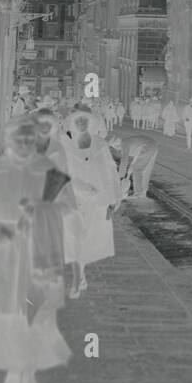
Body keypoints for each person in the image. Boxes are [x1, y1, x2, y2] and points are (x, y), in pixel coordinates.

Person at [0, 116, 74, 383]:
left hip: (37, 251)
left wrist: (42, 210)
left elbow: (68, 205)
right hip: (2, 251)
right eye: (20, 138)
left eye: (30, 138)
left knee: (33, 310)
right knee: (4, 312)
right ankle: (14, 369)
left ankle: (28, 375)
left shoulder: (49, 170)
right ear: (8, 141)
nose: (26, 143)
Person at [58, 104, 123, 296]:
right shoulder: (65, 144)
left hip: (97, 200)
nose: (81, 123)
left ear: (90, 122)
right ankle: (78, 279)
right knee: (75, 236)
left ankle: (81, 274)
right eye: (77, 120)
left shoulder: (100, 145)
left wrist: (114, 197)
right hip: (73, 197)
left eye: (84, 120)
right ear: (71, 123)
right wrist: (79, 186)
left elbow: (110, 171)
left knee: (89, 238)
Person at [113, 132, 159, 199]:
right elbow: (138, 153)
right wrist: (131, 167)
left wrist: (121, 177)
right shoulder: (127, 142)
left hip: (148, 146)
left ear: (117, 145)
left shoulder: (124, 144)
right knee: (145, 170)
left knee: (137, 169)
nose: (118, 151)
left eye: (116, 148)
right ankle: (143, 192)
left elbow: (124, 160)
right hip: (152, 145)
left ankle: (138, 193)